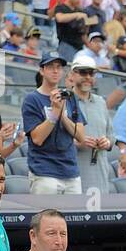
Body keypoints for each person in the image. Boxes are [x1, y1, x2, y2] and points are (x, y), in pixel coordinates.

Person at [23, 55, 87, 195]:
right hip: (44, 171)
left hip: (71, 171)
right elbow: (37, 138)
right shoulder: (32, 99)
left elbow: (81, 136)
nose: (55, 71)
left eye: (59, 67)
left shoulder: (69, 97)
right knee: (46, 215)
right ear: (42, 70)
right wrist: (54, 113)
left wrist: (62, 116)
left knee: (75, 216)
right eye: (51, 67)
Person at [68, 61, 114, 197]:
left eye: (92, 73)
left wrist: (107, 142)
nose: (88, 77)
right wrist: (76, 143)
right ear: (72, 75)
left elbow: (111, 135)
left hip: (99, 172)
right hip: (72, 173)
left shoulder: (100, 102)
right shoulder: (64, 101)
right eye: (83, 72)